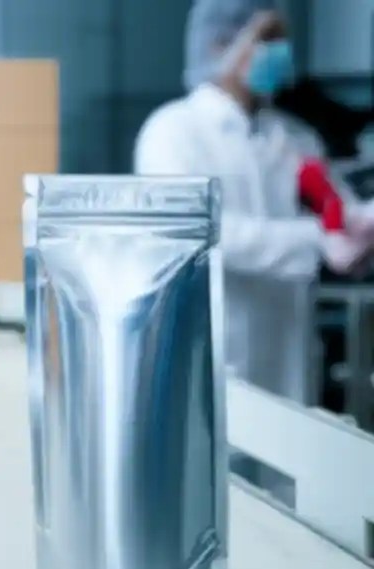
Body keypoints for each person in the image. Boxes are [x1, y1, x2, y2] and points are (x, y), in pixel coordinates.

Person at [135, 0, 374, 405]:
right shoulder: (172, 132)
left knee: (288, 455)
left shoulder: (295, 137)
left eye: (283, 39)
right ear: (218, 45)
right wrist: (315, 239)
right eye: (267, 38)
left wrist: (359, 226)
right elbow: (203, 234)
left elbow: (337, 210)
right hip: (216, 355)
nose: (281, 52)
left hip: (289, 358)